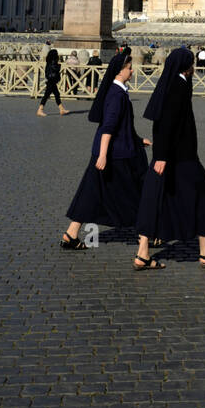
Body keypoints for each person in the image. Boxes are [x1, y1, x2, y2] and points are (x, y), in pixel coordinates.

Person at [135, 47, 205, 267]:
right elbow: (166, 124)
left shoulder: (176, 82)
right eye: (192, 63)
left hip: (171, 154)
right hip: (179, 156)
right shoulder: (178, 86)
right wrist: (161, 156)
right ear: (187, 66)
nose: (194, 66)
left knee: (155, 197)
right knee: (203, 193)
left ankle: (143, 253)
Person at [60, 51, 152, 256]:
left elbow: (121, 126)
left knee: (91, 193)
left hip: (110, 151)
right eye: (129, 68)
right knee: (136, 193)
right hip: (115, 155)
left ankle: (71, 234)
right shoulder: (117, 94)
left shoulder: (116, 91)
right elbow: (108, 127)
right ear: (120, 71)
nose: (132, 70)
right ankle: (146, 234)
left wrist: (137, 140)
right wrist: (102, 156)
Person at [37, 48, 68, 117]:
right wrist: (59, 65)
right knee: (46, 95)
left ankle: (61, 109)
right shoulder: (53, 62)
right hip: (52, 80)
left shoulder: (48, 61)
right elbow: (56, 69)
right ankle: (40, 110)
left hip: (50, 80)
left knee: (57, 94)